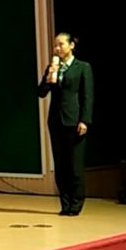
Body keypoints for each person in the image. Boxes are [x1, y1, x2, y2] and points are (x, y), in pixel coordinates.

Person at [38, 32, 94, 216]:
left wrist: (84, 120)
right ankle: (65, 204)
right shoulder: (53, 67)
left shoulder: (83, 67)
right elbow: (41, 92)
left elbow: (87, 96)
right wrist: (50, 75)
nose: (57, 48)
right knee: (60, 167)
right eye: (55, 45)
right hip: (56, 122)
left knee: (74, 167)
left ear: (72, 45)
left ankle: (76, 205)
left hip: (74, 122)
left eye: (61, 44)